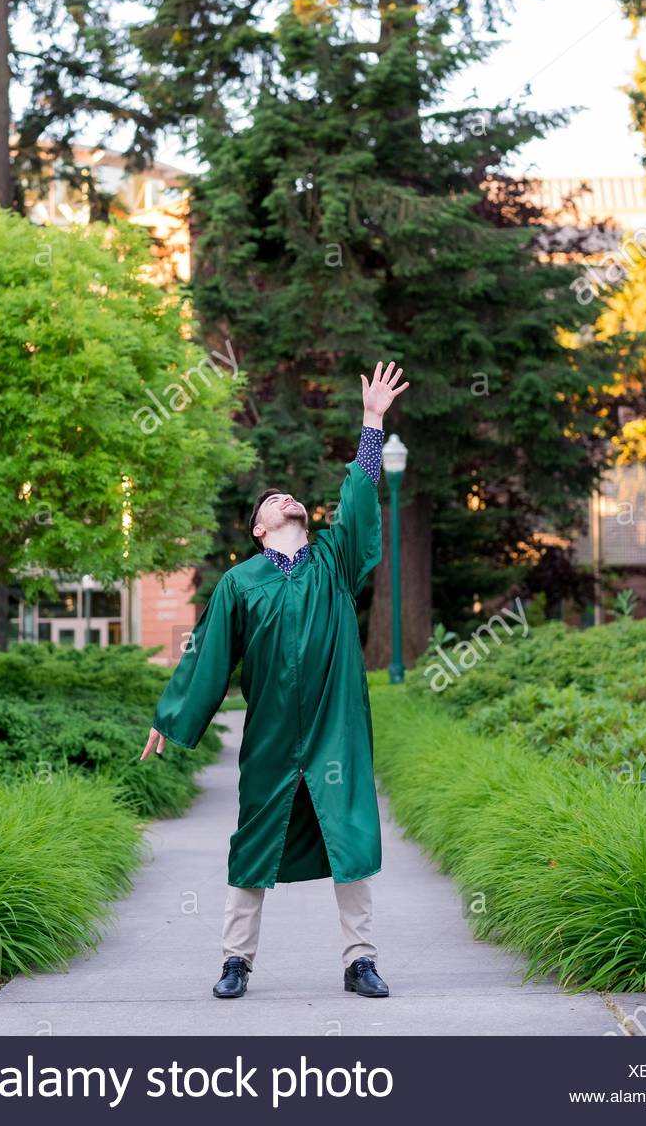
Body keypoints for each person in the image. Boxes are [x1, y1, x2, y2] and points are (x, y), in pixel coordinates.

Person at [140, 360, 410, 999]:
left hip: (333, 731)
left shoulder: (334, 563)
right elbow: (206, 654)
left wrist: (371, 421)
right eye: (271, 500)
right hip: (267, 739)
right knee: (252, 844)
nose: (285, 497)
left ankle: (360, 960)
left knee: (349, 835)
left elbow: (360, 502)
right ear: (259, 528)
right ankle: (236, 961)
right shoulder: (241, 583)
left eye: (290, 497)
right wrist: (170, 716)